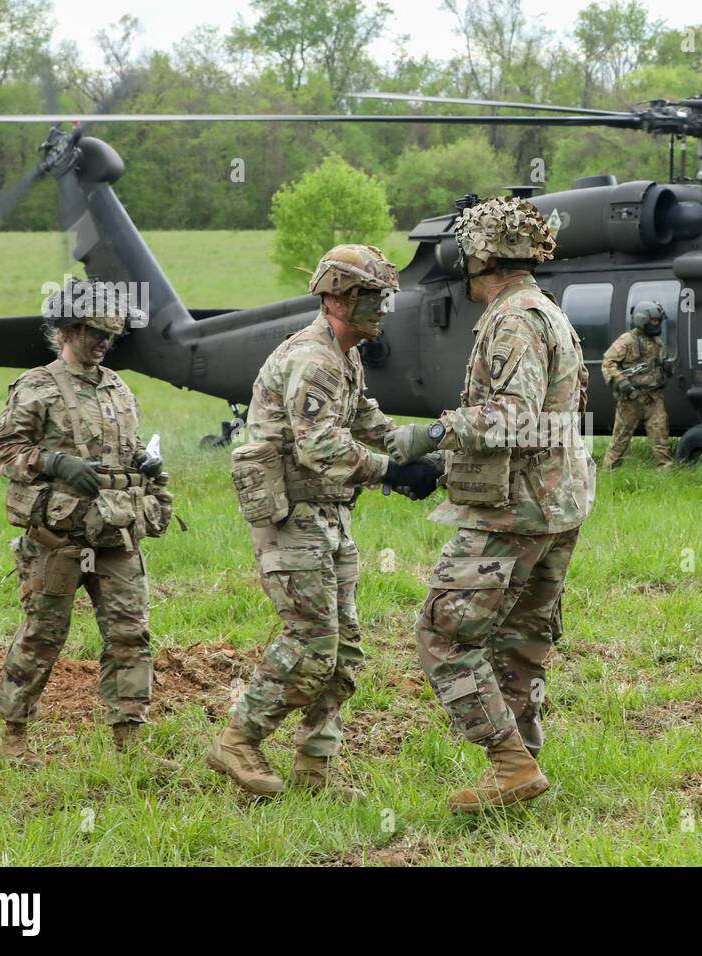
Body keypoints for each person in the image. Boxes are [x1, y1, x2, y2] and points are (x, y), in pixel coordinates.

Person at [385, 195, 595, 812]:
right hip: (556, 503)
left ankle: (508, 763)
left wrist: (430, 434)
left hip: (517, 511)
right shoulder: (548, 311)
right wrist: (446, 468)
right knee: (520, 641)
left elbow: (512, 417)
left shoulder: (513, 319)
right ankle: (523, 768)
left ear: (480, 257)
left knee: (443, 634)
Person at [209, 245, 440, 798]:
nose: (384, 309)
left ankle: (315, 769)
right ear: (337, 299)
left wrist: (421, 448)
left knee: (345, 651)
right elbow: (320, 447)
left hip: (328, 514)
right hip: (292, 516)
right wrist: (392, 473)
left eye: (385, 298)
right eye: (373, 297)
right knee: (311, 642)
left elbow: (365, 419)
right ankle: (238, 739)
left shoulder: (345, 356)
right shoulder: (312, 360)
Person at [0, 278, 176, 771]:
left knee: (130, 634)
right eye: (96, 333)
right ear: (68, 329)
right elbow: (5, 453)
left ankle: (128, 741)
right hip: (58, 537)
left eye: (110, 336)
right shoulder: (37, 386)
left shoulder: (118, 387)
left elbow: (126, 450)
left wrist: (144, 464)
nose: (104, 343)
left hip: (115, 532)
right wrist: (52, 462)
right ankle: (13, 735)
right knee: (43, 635)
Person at [601, 300, 673, 469]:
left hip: (653, 399)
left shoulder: (658, 343)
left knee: (661, 438)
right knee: (620, 440)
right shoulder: (626, 341)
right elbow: (608, 363)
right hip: (631, 400)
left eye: (658, 321)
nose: (656, 324)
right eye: (653, 321)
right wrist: (621, 382)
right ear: (643, 320)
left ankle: (666, 472)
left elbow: (662, 365)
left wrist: (666, 369)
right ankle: (609, 472)